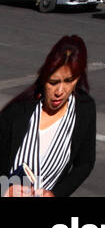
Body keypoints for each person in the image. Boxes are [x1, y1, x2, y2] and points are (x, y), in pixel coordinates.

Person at [0, 35, 95, 197]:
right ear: (44, 78)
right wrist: (4, 190)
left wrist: (56, 194)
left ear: (78, 78)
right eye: (53, 82)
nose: (59, 91)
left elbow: (84, 163)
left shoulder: (84, 110)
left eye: (68, 81)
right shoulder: (17, 112)